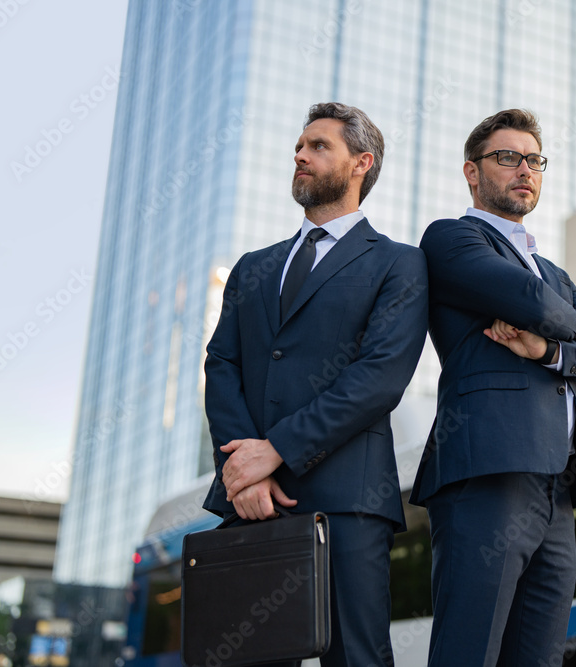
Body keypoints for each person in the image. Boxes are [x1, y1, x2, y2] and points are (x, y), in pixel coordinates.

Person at [202, 102, 428, 667]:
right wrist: (242, 473)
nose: (300, 155)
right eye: (299, 146)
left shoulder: (400, 265)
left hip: (349, 502)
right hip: (249, 503)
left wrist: (275, 451)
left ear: (361, 163)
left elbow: (379, 377)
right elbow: (222, 365)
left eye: (318, 146)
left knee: (356, 659)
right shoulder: (253, 267)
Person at [411, 109, 576, 666]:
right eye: (507, 158)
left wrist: (552, 349)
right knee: (471, 652)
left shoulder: (552, 270)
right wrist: (564, 321)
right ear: (472, 171)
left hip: (557, 486)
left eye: (534, 160)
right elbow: (534, 304)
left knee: (539, 659)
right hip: (486, 472)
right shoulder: (451, 240)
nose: (524, 170)